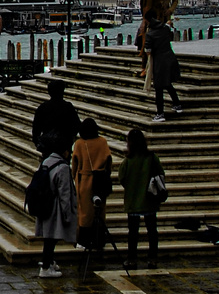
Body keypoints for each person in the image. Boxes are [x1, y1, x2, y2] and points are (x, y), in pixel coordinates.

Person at [119, 128, 164, 269]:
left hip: (133, 200)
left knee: (133, 232)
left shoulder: (128, 160)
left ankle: (132, 258)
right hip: (150, 199)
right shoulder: (151, 158)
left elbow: (122, 178)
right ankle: (152, 258)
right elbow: (161, 174)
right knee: (152, 230)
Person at [71, 117, 113, 269]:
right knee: (100, 211)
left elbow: (74, 163)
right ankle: (99, 239)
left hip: (85, 180)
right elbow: (109, 161)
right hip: (100, 180)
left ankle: (83, 240)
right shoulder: (102, 142)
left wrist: (74, 176)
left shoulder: (80, 144)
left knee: (84, 212)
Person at [33, 138, 77, 279]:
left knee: (49, 237)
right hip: (55, 207)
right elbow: (65, 193)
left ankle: (49, 262)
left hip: (44, 203)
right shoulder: (63, 168)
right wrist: (68, 213)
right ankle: (46, 267)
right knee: (51, 239)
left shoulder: (46, 162)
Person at [146, 18, 182, 122]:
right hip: (170, 58)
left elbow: (148, 50)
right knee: (167, 83)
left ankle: (160, 113)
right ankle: (177, 104)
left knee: (159, 88)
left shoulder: (150, 34)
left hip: (159, 62)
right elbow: (169, 25)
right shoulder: (165, 29)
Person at [31, 78, 79, 156]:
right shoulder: (67, 107)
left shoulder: (43, 107)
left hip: (48, 146)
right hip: (63, 146)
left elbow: (36, 128)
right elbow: (76, 125)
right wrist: (68, 142)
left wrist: (38, 143)